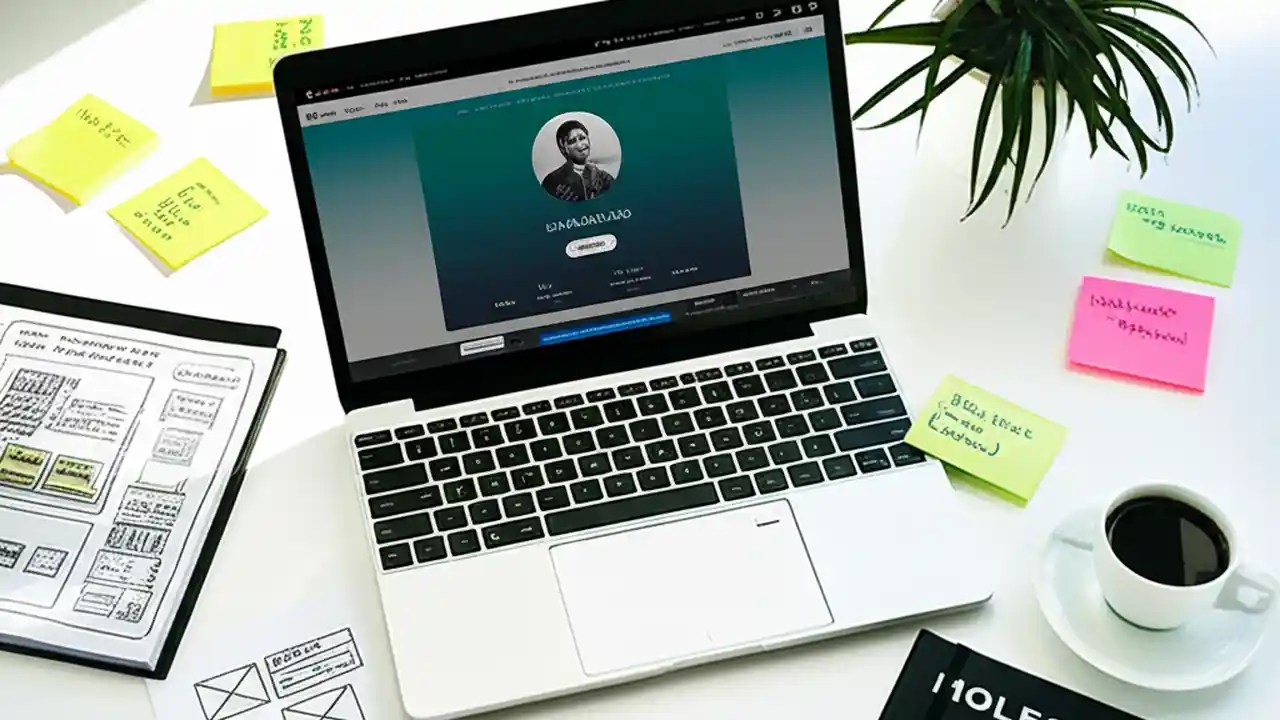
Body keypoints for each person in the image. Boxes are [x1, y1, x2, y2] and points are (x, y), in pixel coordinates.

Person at [541, 119, 615, 202]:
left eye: (582, 138)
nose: (579, 145)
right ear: (563, 148)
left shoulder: (604, 178)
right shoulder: (552, 181)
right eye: (572, 141)